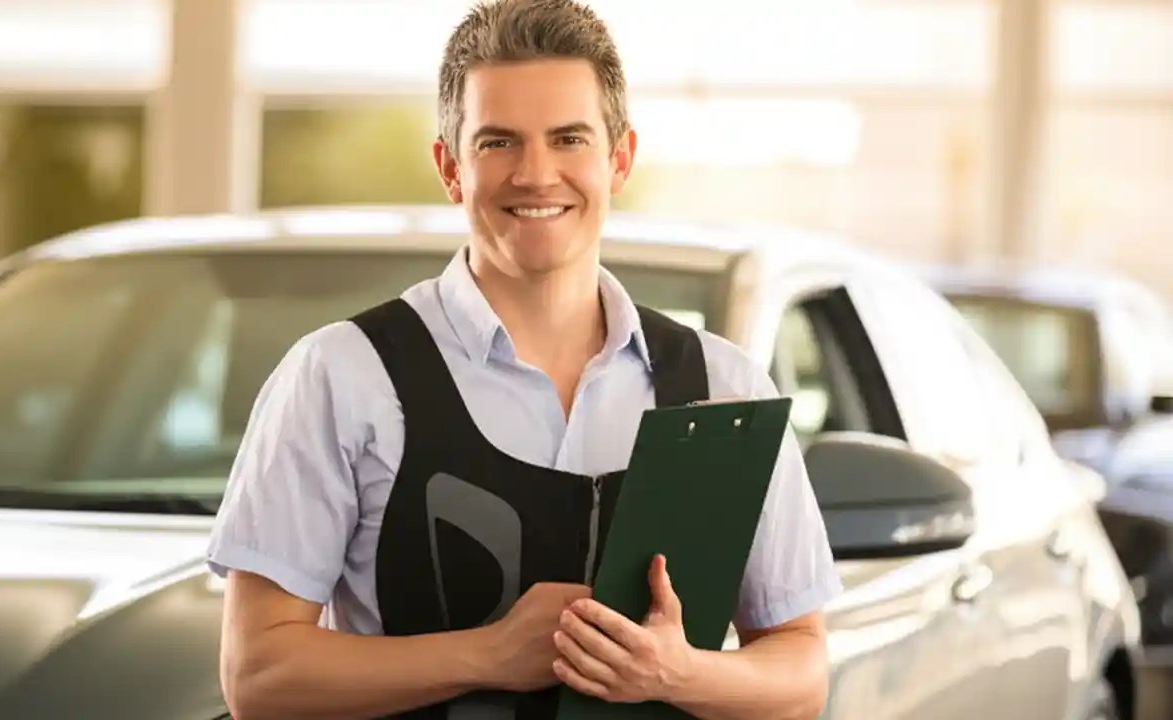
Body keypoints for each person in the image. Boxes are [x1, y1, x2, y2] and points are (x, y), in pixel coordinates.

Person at [207, 0, 842, 718]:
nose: (537, 174)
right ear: (450, 167)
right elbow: (258, 676)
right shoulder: (341, 377)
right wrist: (487, 655)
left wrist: (678, 674)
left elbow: (800, 672)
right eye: (497, 143)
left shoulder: (724, 388)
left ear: (620, 158)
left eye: (569, 138)